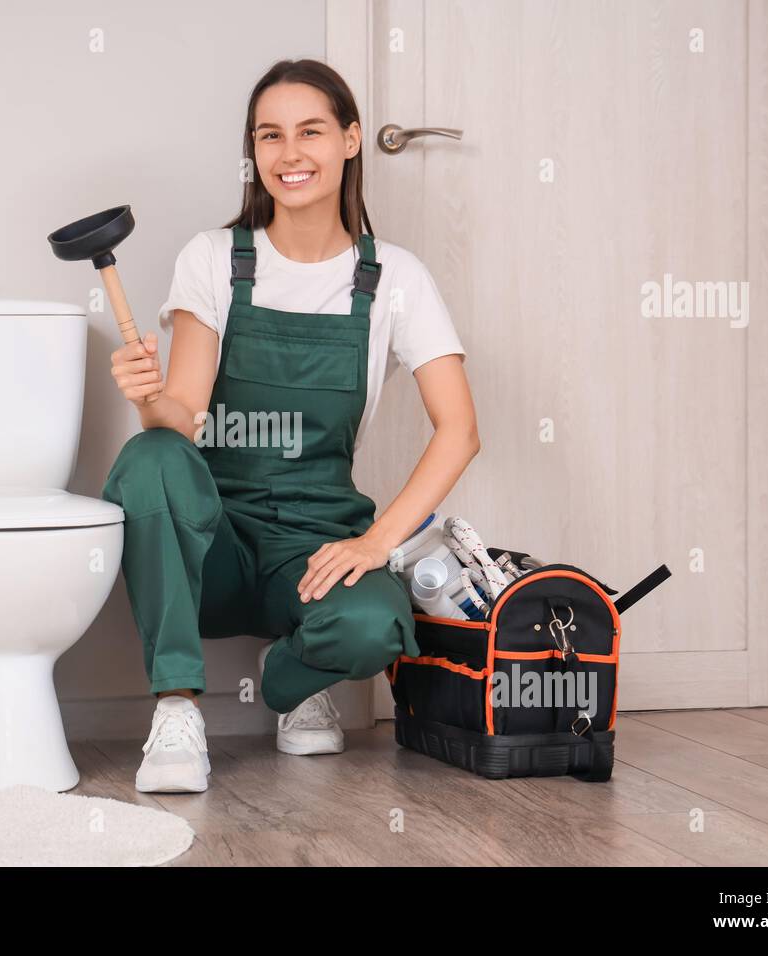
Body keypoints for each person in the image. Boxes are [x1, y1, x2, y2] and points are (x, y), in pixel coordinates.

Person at [101, 58, 480, 793]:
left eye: (310, 131)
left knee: (375, 625)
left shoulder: (395, 278)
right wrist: (148, 396)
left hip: (314, 542)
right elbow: (181, 417)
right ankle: (176, 708)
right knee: (150, 457)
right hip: (212, 540)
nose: (289, 153)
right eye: (270, 136)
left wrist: (375, 542)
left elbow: (459, 429)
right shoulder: (213, 258)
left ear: (350, 140)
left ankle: (294, 678)